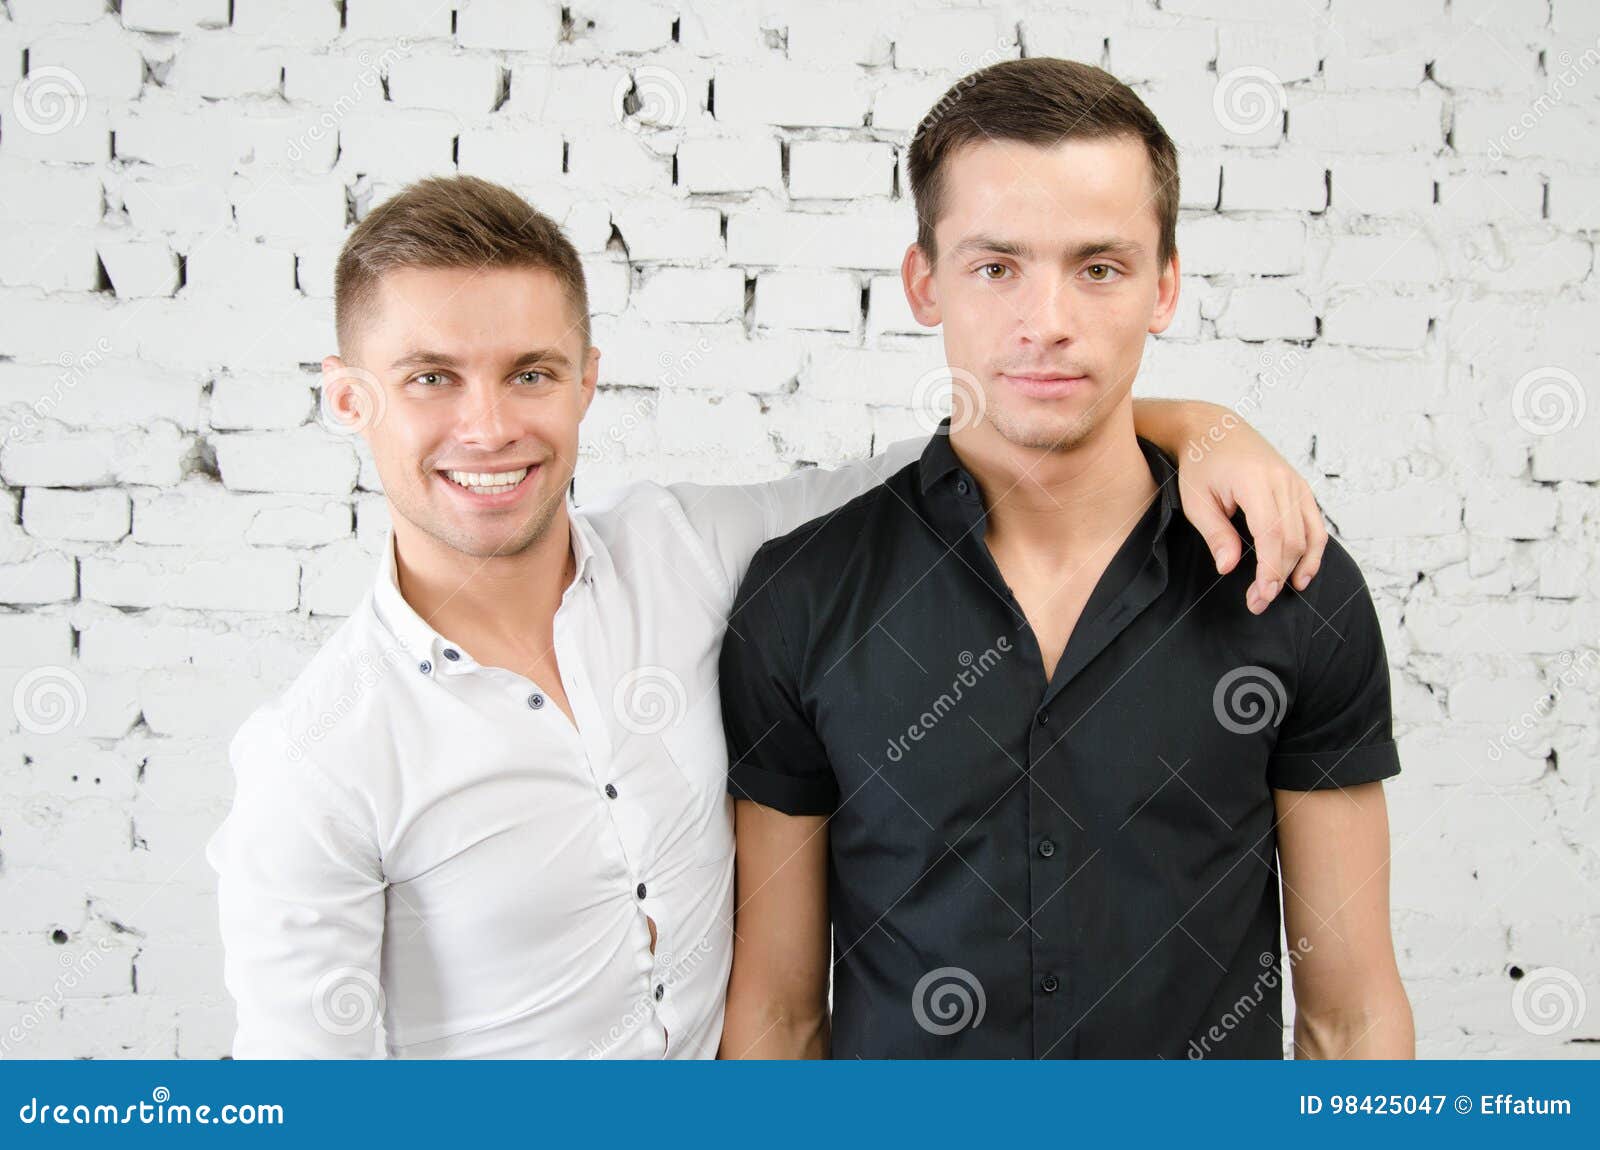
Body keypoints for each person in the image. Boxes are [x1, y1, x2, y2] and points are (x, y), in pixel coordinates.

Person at [206, 172, 1331, 1058]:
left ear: (589, 379)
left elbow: (975, 453)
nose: (489, 425)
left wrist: (1204, 424)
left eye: (531, 373)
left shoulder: (687, 556)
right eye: (429, 378)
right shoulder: (318, 763)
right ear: (347, 397)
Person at [717, 58, 1414, 1060]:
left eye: (1099, 267)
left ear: (1164, 286)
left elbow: (1349, 1020)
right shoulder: (803, 596)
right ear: (924, 283)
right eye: (995, 266)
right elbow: (779, 1020)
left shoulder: (1289, 588)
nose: (1047, 321)